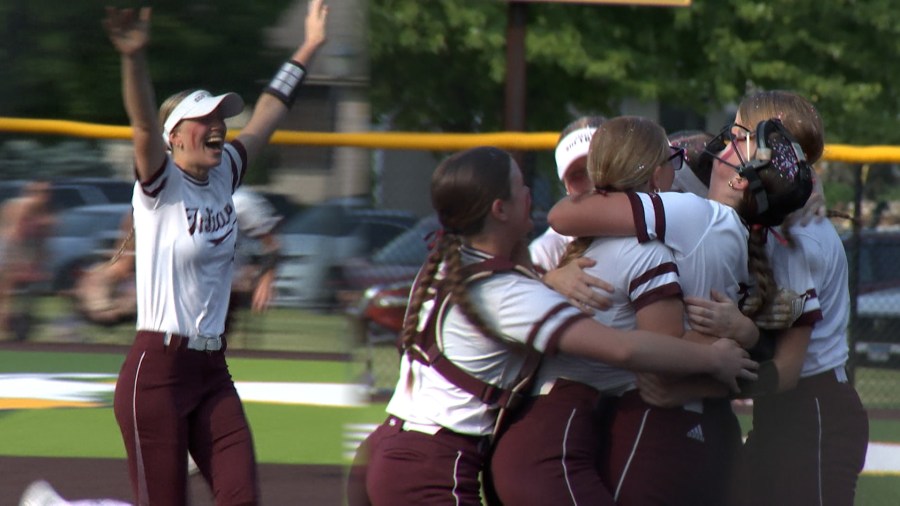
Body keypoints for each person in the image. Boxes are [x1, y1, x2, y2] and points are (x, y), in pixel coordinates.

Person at [346, 146, 757, 506]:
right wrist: (712, 357)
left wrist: (547, 280)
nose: (530, 192)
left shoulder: (450, 265)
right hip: (431, 464)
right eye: (520, 185)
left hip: (390, 449)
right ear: (499, 209)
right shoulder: (505, 291)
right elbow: (622, 349)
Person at [103, 2, 327, 505]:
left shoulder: (224, 170)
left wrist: (308, 49)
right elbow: (142, 123)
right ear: (176, 138)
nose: (218, 124)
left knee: (240, 495)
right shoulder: (161, 185)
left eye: (221, 116)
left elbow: (269, 112)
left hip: (211, 371)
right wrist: (134, 58)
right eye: (204, 119)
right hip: (155, 374)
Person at [548, 115, 815, 505]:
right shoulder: (733, 230)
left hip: (654, 423)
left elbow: (561, 216)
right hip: (708, 424)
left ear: (741, 179)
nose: (723, 146)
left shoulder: (693, 214)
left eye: (738, 144)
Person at [488, 116, 698, 505]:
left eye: (596, 170)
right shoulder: (555, 249)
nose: (591, 186)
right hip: (552, 425)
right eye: (577, 177)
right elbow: (651, 352)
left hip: (584, 423)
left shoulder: (655, 230)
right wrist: (547, 282)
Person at [685, 90, 869, 506]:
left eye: (738, 135)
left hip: (813, 409)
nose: (725, 145)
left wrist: (698, 377)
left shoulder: (798, 237)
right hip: (785, 411)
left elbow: (786, 370)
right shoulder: (776, 218)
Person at [530, 116, 615, 315]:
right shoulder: (547, 250)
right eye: (578, 174)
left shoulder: (657, 223)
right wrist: (547, 281)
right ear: (566, 186)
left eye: (601, 166)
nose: (594, 182)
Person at [0, 180, 55, 341]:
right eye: (38, 192)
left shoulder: (46, 215)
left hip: (24, 254)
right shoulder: (20, 208)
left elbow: (43, 244)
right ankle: (4, 326)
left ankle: (19, 325)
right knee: (7, 289)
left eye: (46, 193)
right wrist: (16, 265)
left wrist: (38, 264)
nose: (43, 197)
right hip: (9, 250)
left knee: (25, 290)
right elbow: (12, 238)